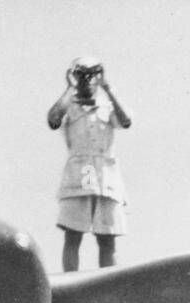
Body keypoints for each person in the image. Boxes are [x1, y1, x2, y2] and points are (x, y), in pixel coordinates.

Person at [47, 56, 131, 272]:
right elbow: (53, 120)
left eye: (92, 75)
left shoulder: (107, 106)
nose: (87, 80)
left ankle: (108, 282)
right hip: (78, 176)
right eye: (82, 75)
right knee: (72, 234)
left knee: (107, 238)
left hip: (106, 177)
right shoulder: (69, 106)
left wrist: (108, 88)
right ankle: (71, 280)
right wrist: (70, 89)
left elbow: (126, 121)